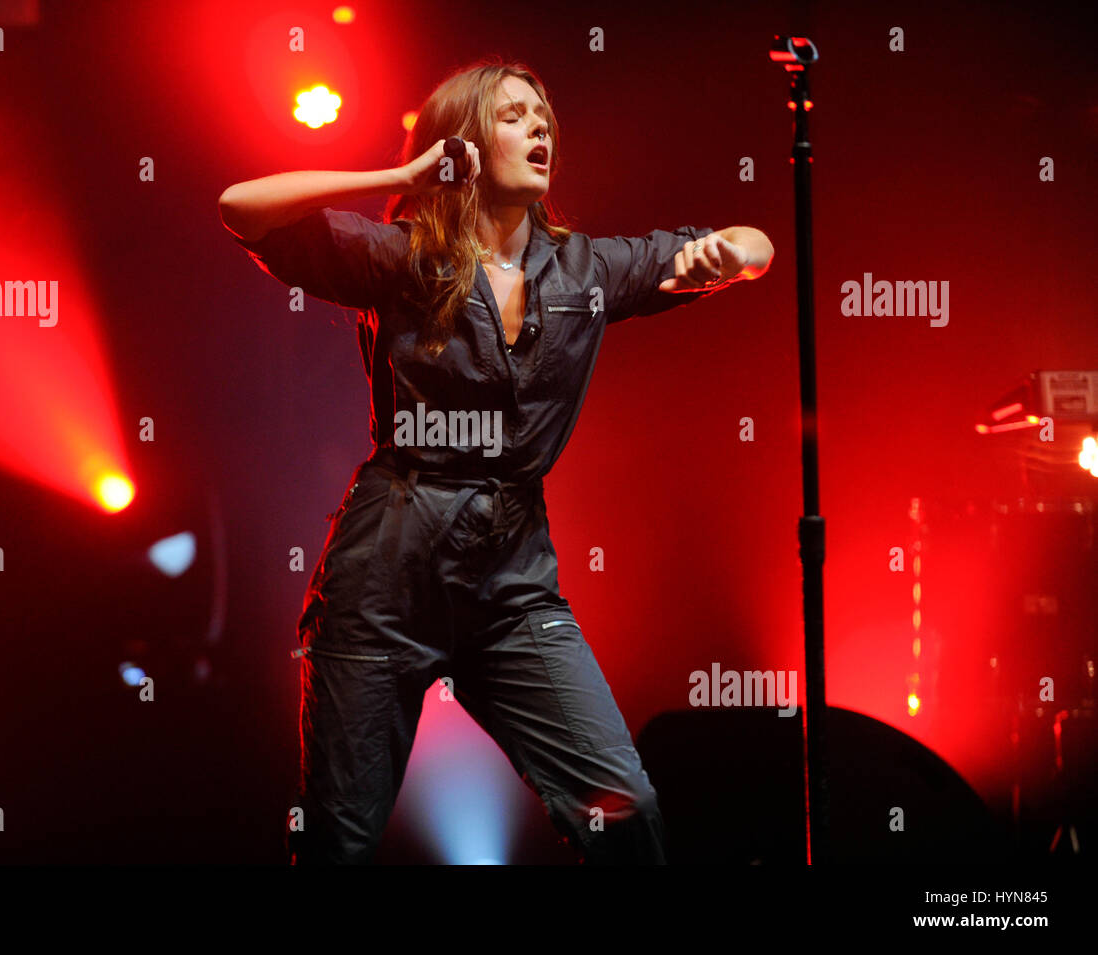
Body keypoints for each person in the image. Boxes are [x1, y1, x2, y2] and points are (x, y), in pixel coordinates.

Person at [219, 57, 773, 864]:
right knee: (338, 838)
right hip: (385, 580)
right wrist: (404, 173)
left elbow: (755, 244)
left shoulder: (585, 269)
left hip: (514, 588)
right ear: (466, 143)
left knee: (627, 811)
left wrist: (728, 254)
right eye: (515, 115)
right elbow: (242, 209)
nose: (540, 127)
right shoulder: (407, 257)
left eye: (545, 117)